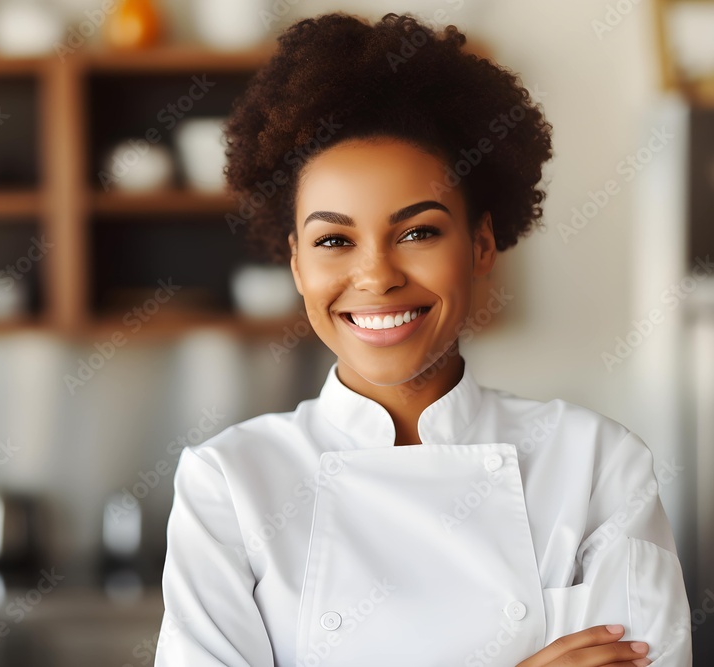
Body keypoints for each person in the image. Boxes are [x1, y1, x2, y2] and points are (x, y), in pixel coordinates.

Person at [154, 12, 692, 667]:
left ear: (483, 243)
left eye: (418, 232)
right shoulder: (230, 483)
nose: (376, 275)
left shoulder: (597, 464)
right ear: (296, 263)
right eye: (333, 240)